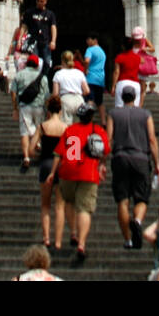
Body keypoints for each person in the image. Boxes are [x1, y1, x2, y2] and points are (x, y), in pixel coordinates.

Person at [44, 101, 109, 266]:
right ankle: (81, 243)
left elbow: (58, 153)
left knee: (69, 202)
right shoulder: (98, 131)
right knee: (85, 209)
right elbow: (105, 151)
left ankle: (73, 231)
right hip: (88, 172)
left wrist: (52, 172)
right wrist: (102, 165)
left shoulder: (70, 130)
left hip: (67, 172)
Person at [106, 83, 159, 249]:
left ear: (122, 98)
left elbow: (108, 139)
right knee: (142, 198)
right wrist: (157, 163)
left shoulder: (113, 113)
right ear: (135, 98)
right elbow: (152, 139)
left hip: (120, 157)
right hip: (141, 158)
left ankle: (128, 239)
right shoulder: (145, 114)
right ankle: (137, 220)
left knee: (122, 201)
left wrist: (102, 161)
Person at [32, 95, 67, 252]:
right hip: (61, 166)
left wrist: (39, 150)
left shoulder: (43, 126)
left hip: (46, 163)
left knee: (45, 204)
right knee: (60, 206)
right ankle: (58, 241)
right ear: (60, 110)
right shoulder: (66, 128)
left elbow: (31, 149)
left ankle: (46, 238)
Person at [10, 52, 49, 169]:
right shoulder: (43, 77)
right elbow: (47, 95)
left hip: (24, 106)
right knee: (39, 129)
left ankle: (26, 157)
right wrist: (47, 110)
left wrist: (15, 107)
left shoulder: (19, 75)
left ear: (27, 64)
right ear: (37, 65)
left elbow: (13, 92)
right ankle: (37, 144)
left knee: (24, 132)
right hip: (39, 107)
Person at [111, 33, 149, 107]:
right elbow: (143, 61)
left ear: (123, 46)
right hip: (135, 83)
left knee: (120, 106)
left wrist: (113, 86)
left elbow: (116, 72)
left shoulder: (119, 57)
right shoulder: (138, 58)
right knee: (135, 107)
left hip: (122, 82)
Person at [53, 50, 90, 126]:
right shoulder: (79, 73)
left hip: (65, 99)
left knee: (66, 126)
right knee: (79, 125)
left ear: (62, 60)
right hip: (78, 99)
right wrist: (80, 94)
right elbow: (87, 90)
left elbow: (55, 93)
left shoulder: (58, 74)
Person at [25, 0, 57, 75]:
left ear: (45, 1)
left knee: (47, 61)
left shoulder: (50, 14)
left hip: (45, 41)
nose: (39, 3)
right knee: (34, 61)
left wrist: (53, 41)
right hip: (33, 41)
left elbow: (53, 27)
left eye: (41, 1)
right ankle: (35, 78)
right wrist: (19, 40)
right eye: (38, 0)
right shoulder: (29, 12)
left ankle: (44, 78)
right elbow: (24, 26)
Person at [84, 33, 107, 118]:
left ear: (95, 40)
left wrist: (85, 69)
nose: (87, 42)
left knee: (90, 100)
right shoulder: (102, 51)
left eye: (89, 39)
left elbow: (87, 61)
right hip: (100, 79)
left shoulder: (90, 50)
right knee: (99, 102)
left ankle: (88, 119)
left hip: (91, 78)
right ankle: (103, 121)